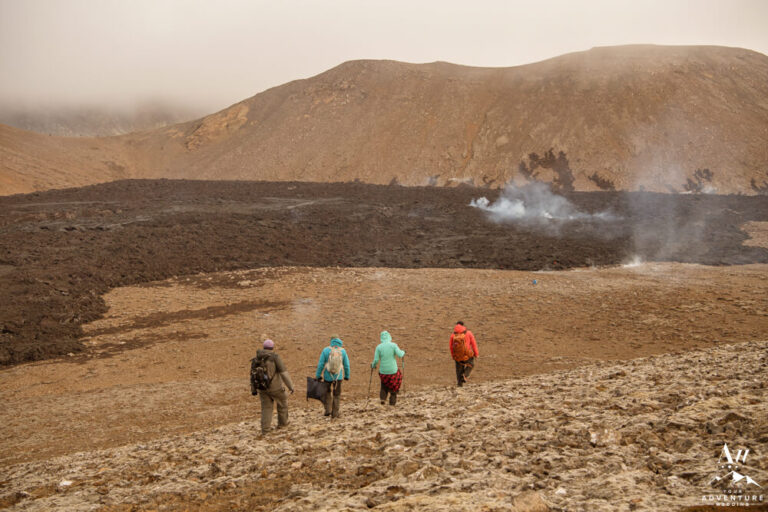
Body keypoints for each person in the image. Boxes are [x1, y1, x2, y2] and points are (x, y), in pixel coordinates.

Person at [253, 339, 295, 434]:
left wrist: (254, 389)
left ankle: (265, 430)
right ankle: (283, 424)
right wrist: (290, 386)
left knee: (266, 408)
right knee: (282, 404)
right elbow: (284, 373)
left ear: (264, 347)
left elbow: (252, 376)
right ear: (272, 347)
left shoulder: (256, 359)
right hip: (276, 388)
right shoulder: (275, 357)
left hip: (262, 388)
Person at [315, 336, 351, 418]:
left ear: (331, 341)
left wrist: (318, 375)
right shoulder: (343, 351)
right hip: (338, 377)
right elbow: (346, 365)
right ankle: (335, 413)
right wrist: (347, 376)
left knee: (327, 392)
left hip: (327, 377)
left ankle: (328, 410)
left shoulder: (326, 350)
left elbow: (321, 364)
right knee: (337, 395)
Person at [371, 330, 405, 406]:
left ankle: (383, 399)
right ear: (389, 337)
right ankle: (392, 402)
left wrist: (373, 365)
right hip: (393, 370)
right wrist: (403, 352)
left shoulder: (378, 347)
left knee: (384, 385)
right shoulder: (393, 345)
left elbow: (376, 360)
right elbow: (400, 355)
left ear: (381, 338)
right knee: (394, 385)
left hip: (383, 371)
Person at [449, 321, 478, 387]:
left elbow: (451, 347)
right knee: (471, 364)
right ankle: (465, 375)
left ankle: (459, 385)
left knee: (459, 369)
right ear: (463, 325)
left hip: (457, 356)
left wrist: (453, 356)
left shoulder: (453, 335)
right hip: (467, 354)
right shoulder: (469, 333)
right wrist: (476, 353)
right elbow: (473, 344)